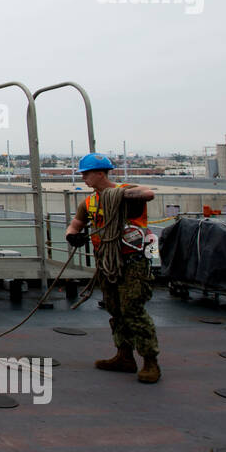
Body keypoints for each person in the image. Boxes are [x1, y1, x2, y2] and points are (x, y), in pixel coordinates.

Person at [64, 153, 161, 383]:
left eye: (87, 174)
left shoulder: (127, 194)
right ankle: (124, 355)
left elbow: (148, 194)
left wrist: (120, 193)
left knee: (133, 309)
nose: (84, 178)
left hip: (131, 262)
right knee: (115, 309)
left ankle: (150, 361)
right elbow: (76, 223)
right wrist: (72, 235)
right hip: (108, 263)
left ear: (100, 173)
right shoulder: (89, 202)